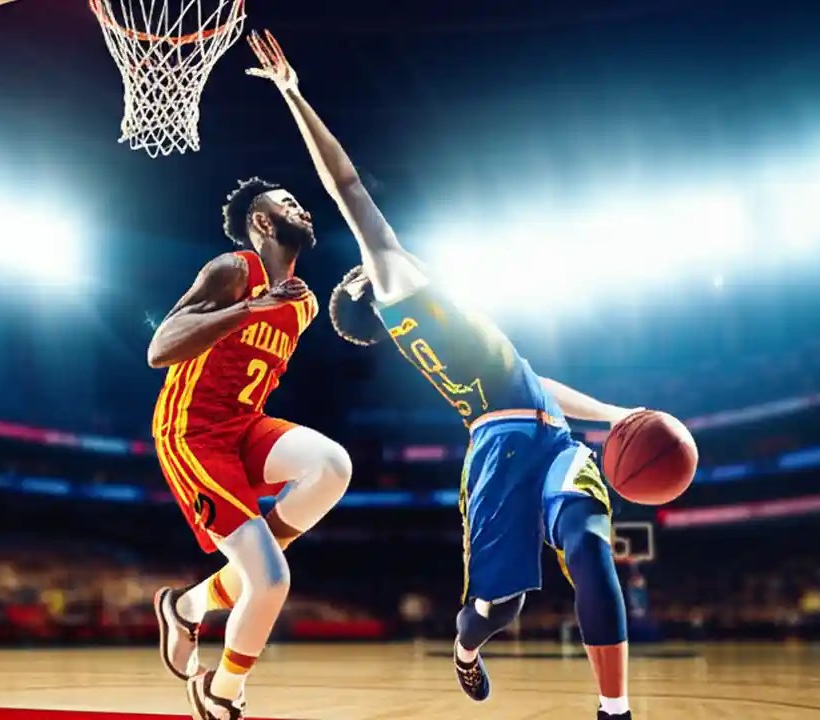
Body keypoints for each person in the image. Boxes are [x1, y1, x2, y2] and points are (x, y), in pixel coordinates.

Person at [248, 31, 640, 719]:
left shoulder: (441, 312)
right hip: (496, 446)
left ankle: (615, 710)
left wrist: (614, 417)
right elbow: (346, 185)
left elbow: (535, 380)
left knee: (589, 541)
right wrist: (293, 93)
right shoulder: (396, 284)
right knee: (500, 605)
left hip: (548, 436)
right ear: (367, 288)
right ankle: (465, 644)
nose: (373, 256)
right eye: (362, 268)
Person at [147, 177, 353, 720]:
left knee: (332, 465)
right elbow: (159, 347)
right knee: (271, 580)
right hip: (192, 432)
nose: (300, 207)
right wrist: (250, 306)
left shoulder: (304, 302)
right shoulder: (235, 270)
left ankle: (188, 604)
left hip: (245, 425)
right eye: (286, 203)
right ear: (262, 222)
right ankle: (223, 693)